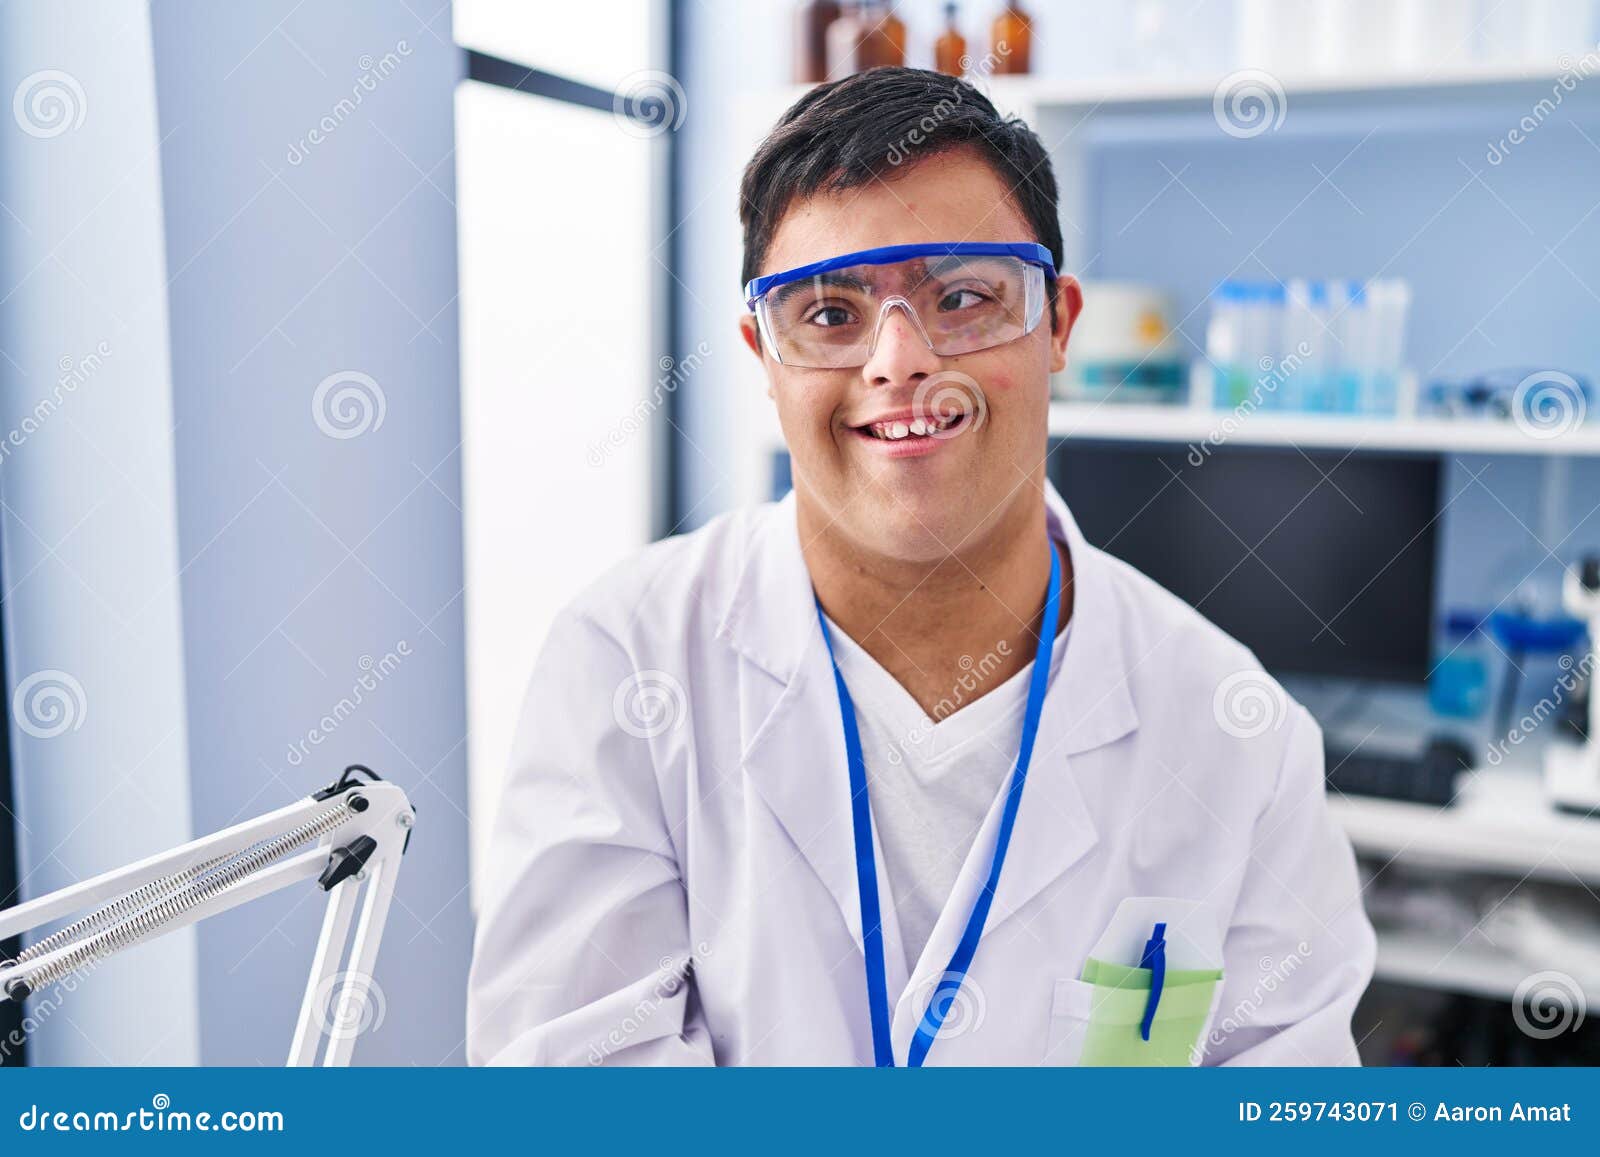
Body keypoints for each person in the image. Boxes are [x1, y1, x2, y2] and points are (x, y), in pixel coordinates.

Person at [466, 66, 1374, 1066]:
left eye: (963, 296)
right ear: (764, 357)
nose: (897, 360)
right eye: (829, 315)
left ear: (1057, 324)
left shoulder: (1236, 734)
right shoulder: (627, 659)